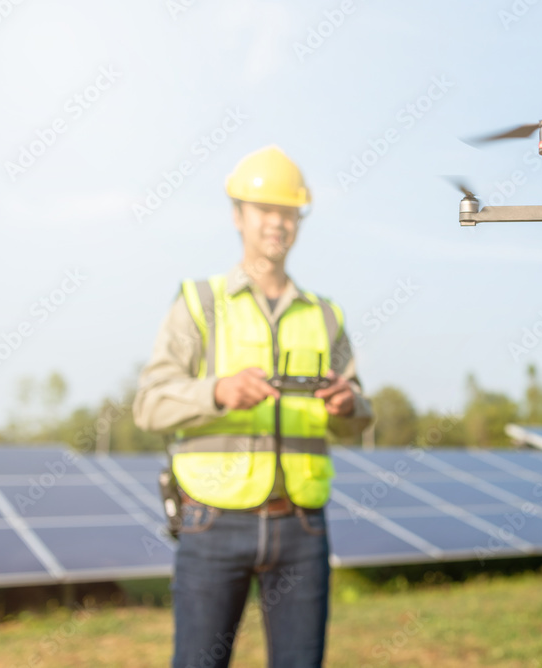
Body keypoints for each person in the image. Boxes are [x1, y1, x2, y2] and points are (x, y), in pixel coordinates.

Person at [133, 145, 374, 668]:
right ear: (237, 215)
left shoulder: (326, 316)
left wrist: (348, 404)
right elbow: (148, 404)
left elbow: (361, 419)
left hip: (303, 527)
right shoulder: (198, 303)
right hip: (211, 520)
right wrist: (217, 392)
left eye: (288, 212)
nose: (277, 223)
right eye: (265, 210)